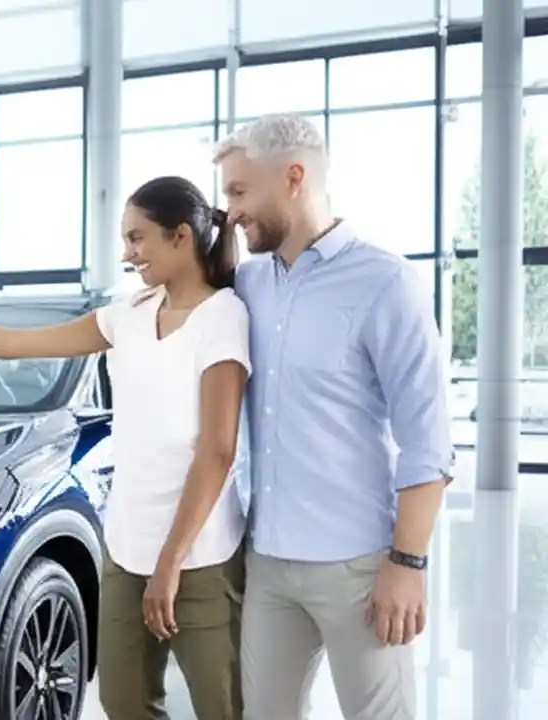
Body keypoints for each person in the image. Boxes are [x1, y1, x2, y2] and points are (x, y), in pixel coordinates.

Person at [0, 176, 252, 719]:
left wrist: (171, 563)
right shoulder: (128, 316)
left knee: (220, 708)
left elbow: (217, 451)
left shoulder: (222, 317)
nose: (127, 253)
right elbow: (13, 344)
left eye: (137, 239)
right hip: (128, 550)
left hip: (199, 556)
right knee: (124, 704)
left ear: (181, 236)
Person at [214, 114, 453, 719]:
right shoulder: (247, 284)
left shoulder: (384, 281)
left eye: (240, 192)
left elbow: (428, 439)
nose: (233, 213)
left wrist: (407, 563)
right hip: (268, 563)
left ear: (294, 177)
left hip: (360, 566)